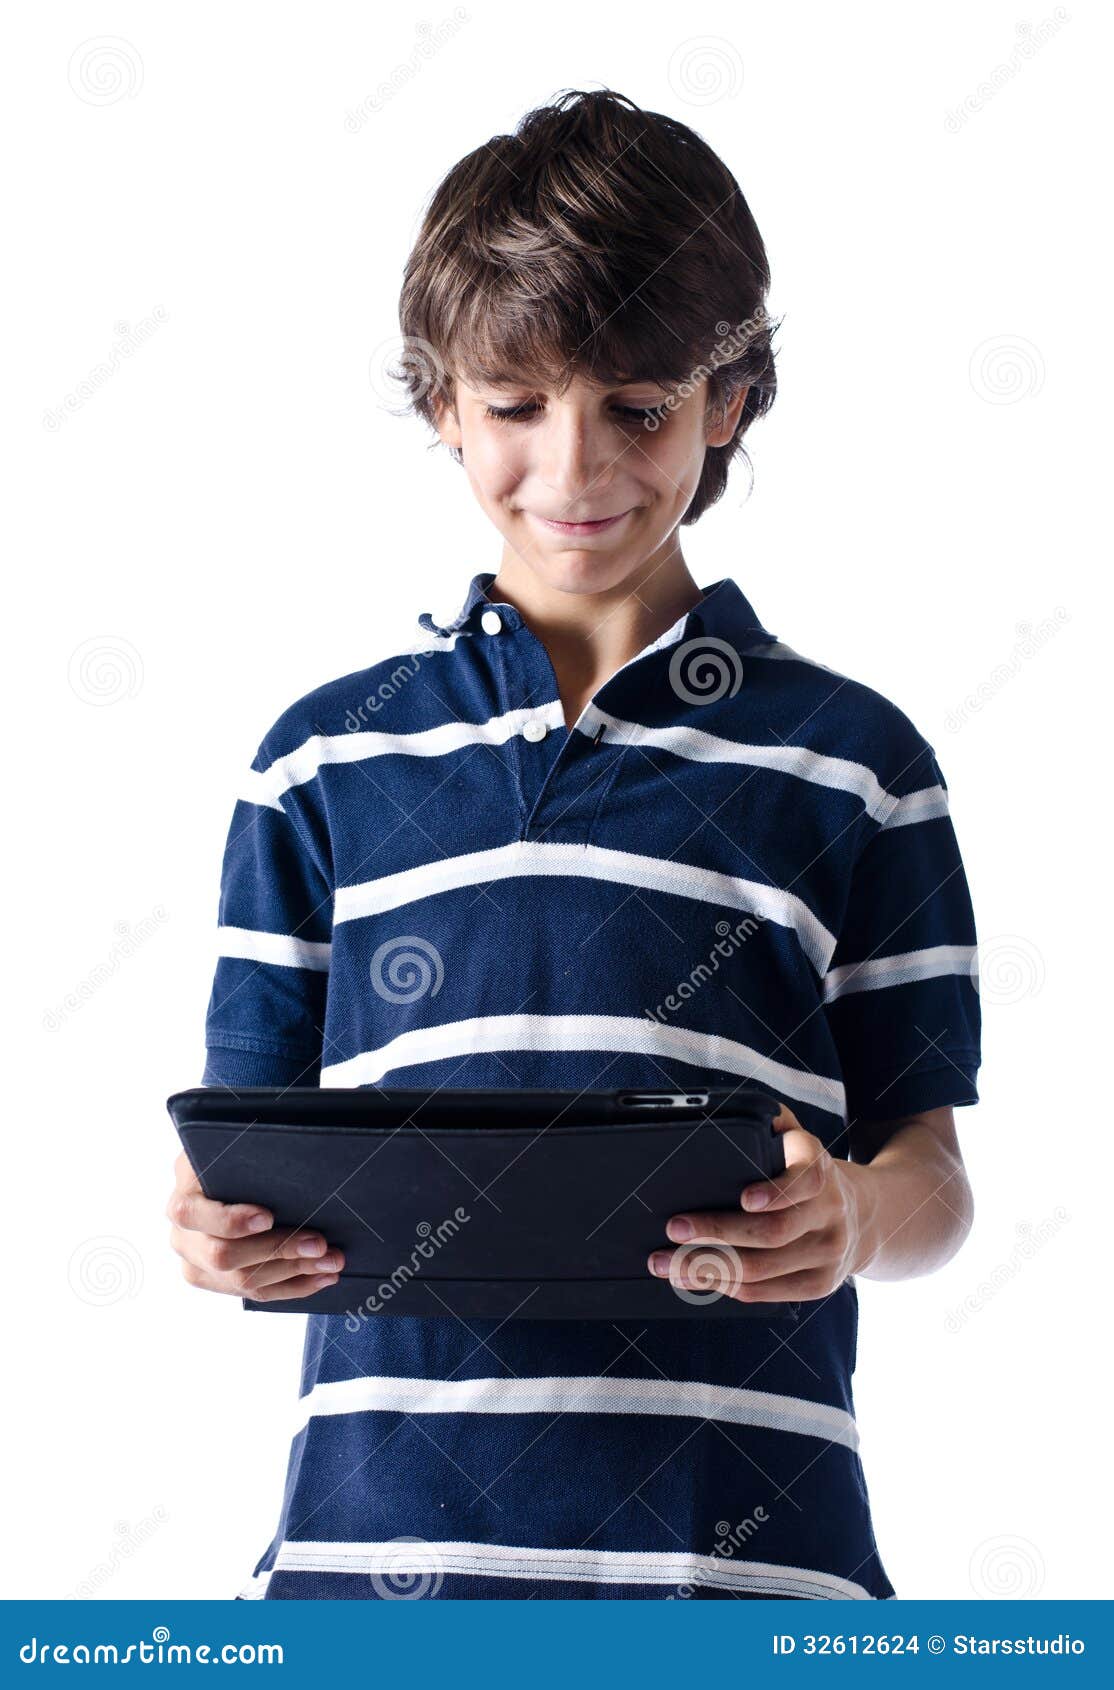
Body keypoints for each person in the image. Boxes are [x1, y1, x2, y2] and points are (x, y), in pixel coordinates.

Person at [166, 88, 980, 1600]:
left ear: (726, 399)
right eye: (515, 406)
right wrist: (215, 1235)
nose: (576, 470)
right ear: (440, 404)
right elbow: (240, 1160)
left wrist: (854, 1211)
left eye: (638, 407)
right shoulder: (321, 764)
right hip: (372, 1571)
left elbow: (930, 1178)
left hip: (740, 1575)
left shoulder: (857, 765)